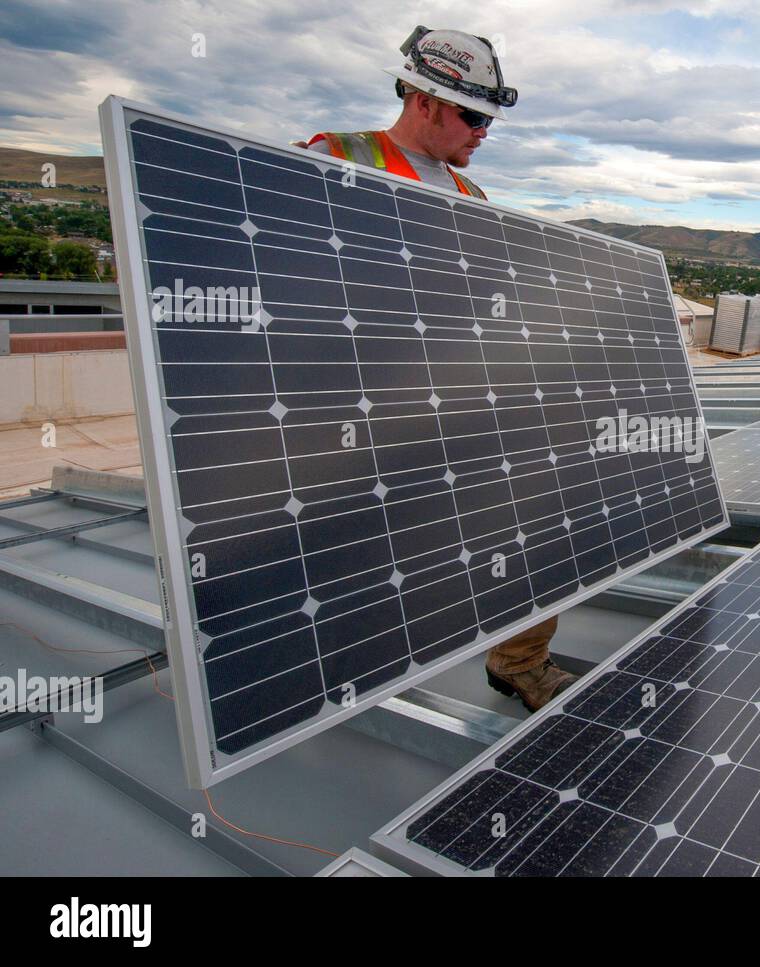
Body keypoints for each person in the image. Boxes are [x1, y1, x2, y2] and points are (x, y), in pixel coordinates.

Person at [303, 27, 575, 713]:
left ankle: (520, 661)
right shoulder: (334, 157)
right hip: (357, 407)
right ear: (424, 100)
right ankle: (316, 671)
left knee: (537, 511)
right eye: (473, 115)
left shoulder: (469, 195)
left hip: (446, 398)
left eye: (488, 118)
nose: (484, 132)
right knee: (356, 554)